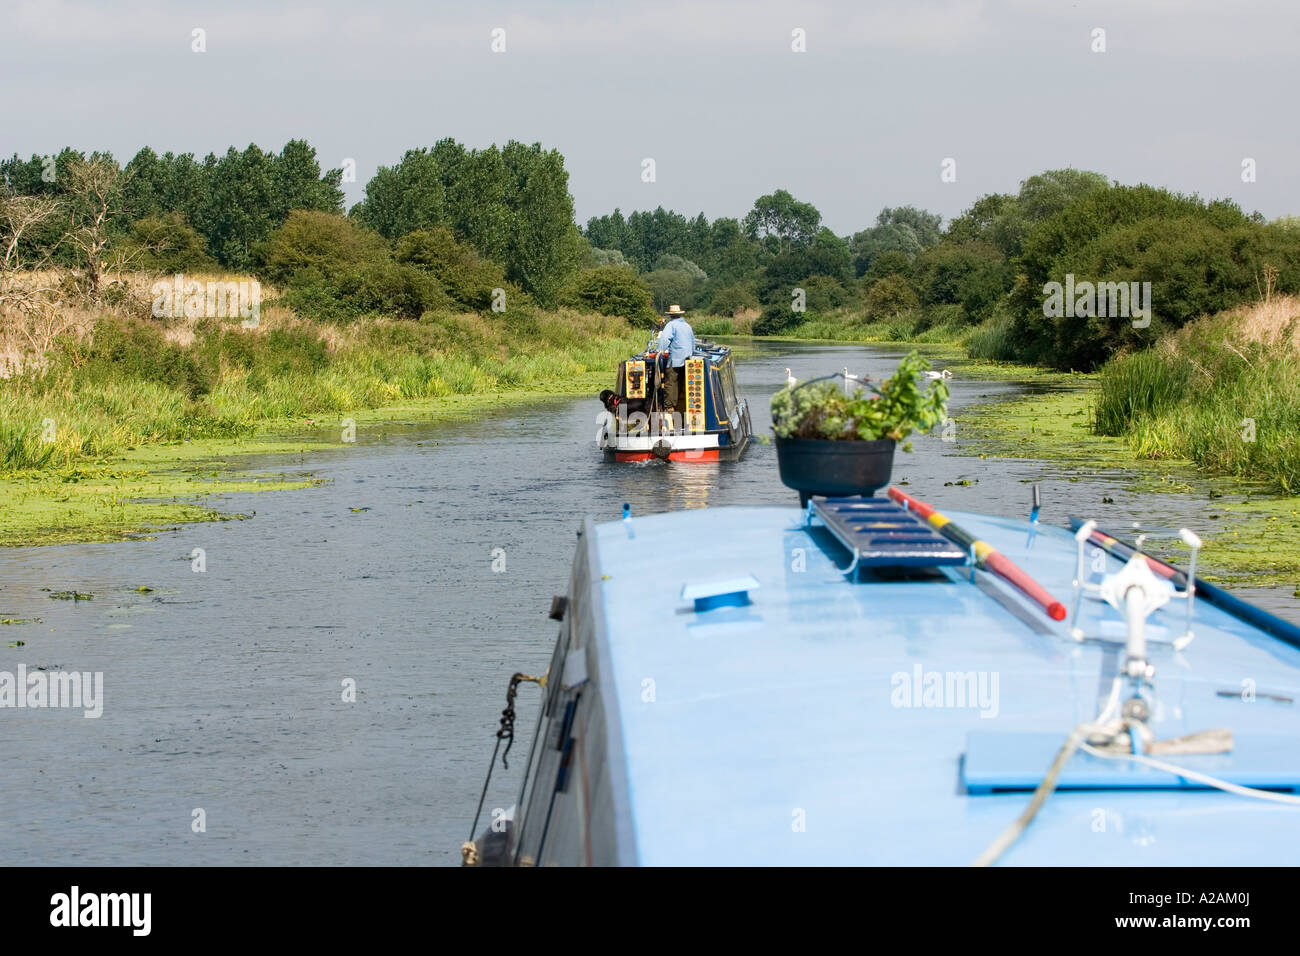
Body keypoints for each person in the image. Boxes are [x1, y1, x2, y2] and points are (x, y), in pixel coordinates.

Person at [655, 304, 695, 423]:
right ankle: (683, 407)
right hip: (688, 359)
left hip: (676, 358)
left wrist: (659, 351)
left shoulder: (671, 325)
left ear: (671, 315)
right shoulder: (687, 326)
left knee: (670, 382)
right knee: (683, 383)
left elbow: (665, 339)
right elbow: (692, 342)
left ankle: (670, 407)